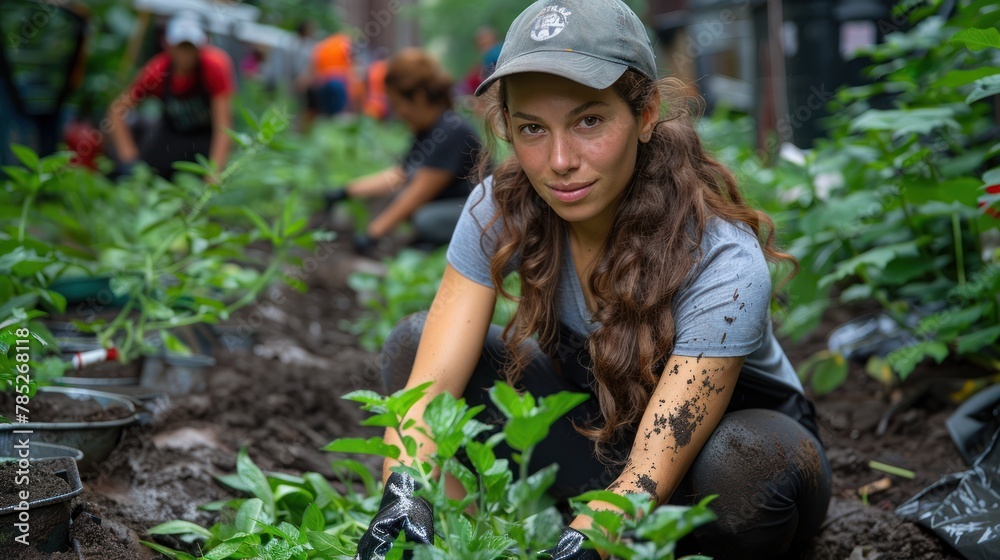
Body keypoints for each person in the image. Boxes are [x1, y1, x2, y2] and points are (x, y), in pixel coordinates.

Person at [353, 1, 831, 559]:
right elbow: (429, 390)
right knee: (413, 346)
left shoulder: (721, 258)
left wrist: (585, 541)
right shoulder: (498, 206)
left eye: (589, 121)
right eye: (532, 128)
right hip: (603, 443)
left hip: (721, 470)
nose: (559, 160)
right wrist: (404, 492)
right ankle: (474, 539)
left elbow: (649, 474)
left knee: (739, 462)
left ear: (647, 113)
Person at [323, 48, 483, 251]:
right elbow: (399, 175)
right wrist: (346, 191)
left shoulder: (452, 130)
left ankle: (443, 254)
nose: (398, 115)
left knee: (425, 219)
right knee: (399, 204)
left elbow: (418, 193)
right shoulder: (429, 129)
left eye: (397, 104)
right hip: (454, 208)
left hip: (480, 214)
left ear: (419, 96)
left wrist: (372, 234)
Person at [107, 13, 234, 180]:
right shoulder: (157, 71)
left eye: (190, 47)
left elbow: (223, 125)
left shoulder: (214, 67)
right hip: (171, 134)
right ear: (169, 45)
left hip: (204, 138)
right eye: (181, 47)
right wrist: (128, 156)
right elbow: (116, 111)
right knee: (144, 176)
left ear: (200, 46)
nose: (186, 54)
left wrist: (213, 171)